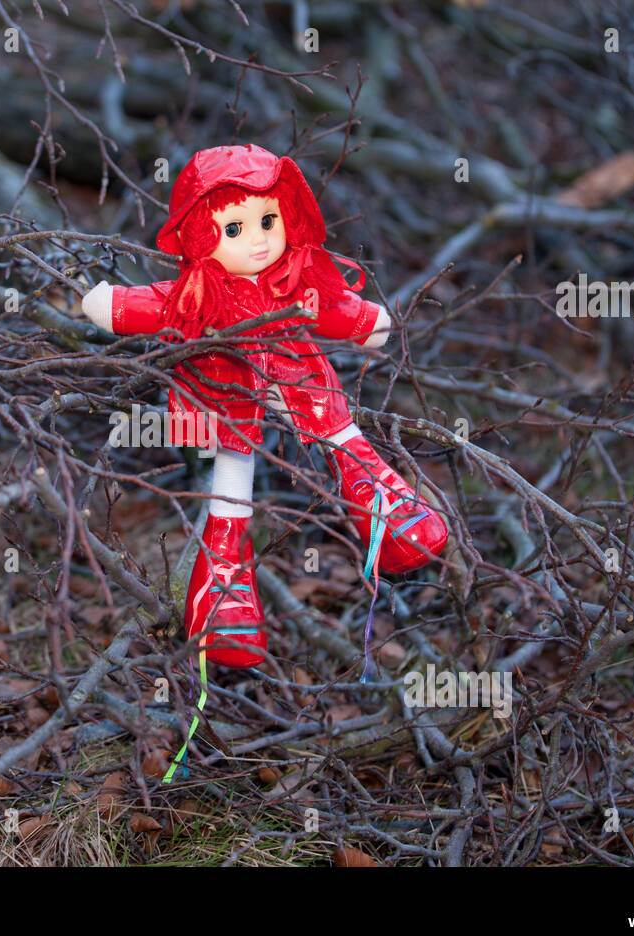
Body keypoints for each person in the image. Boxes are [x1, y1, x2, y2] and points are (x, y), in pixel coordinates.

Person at [80, 144, 448, 669]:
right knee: (234, 475)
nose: (257, 240)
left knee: (339, 432)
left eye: (268, 220)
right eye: (234, 229)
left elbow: (333, 308)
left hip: (297, 374)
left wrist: (367, 321)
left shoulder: (294, 280)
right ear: (202, 236)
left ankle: (385, 512)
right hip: (226, 387)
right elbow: (158, 303)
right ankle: (225, 586)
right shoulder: (199, 292)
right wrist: (114, 304)